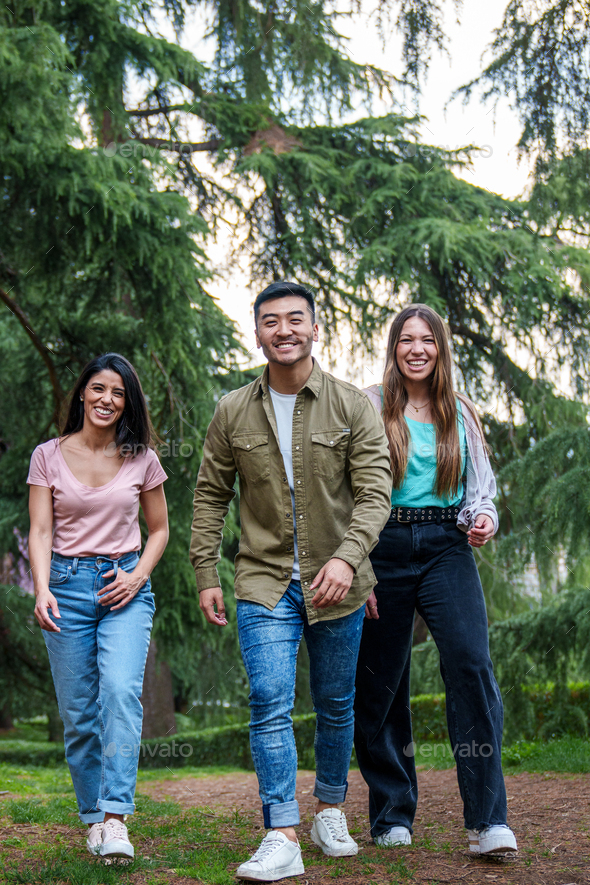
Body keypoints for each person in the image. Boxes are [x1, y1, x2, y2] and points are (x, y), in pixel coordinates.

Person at [190, 281, 392, 882]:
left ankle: (330, 810)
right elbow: (209, 495)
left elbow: (376, 492)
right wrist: (207, 571)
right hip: (263, 578)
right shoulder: (232, 409)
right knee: (269, 700)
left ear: (314, 327)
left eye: (295, 319)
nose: (284, 330)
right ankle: (281, 831)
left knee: (335, 704)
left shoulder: (353, 404)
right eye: (271, 321)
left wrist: (348, 559)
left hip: (340, 583)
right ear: (257, 332)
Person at [354, 304, 518, 856]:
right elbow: (349, 489)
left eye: (428, 339)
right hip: (383, 545)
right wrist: (358, 565)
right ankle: (392, 813)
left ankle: (487, 819)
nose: (417, 348)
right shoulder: (371, 405)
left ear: (440, 348)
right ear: (394, 348)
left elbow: (482, 492)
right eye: (407, 339)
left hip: (447, 546)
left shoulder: (460, 412)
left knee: (471, 663)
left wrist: (485, 519)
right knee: (382, 679)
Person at [28, 353, 169, 861]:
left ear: (127, 402)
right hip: (64, 586)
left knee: (119, 691)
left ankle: (115, 818)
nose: (107, 400)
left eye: (119, 393)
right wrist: (42, 588)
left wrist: (137, 576)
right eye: (99, 389)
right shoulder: (47, 455)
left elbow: (160, 530)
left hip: (122, 586)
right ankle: (92, 816)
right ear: (83, 393)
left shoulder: (142, 458)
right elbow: (41, 530)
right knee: (79, 713)